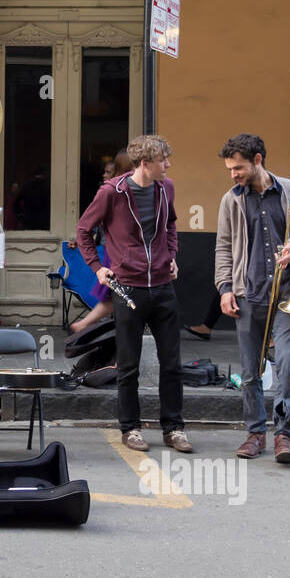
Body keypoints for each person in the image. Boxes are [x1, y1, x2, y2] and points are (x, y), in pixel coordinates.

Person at [77, 135, 189, 453]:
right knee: (128, 365)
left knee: (172, 364)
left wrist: (172, 255)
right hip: (128, 287)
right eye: (163, 160)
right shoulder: (112, 192)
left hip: (163, 286)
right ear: (145, 163)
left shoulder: (166, 188)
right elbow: (84, 229)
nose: (168, 165)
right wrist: (98, 267)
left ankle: (174, 428)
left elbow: (170, 226)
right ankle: (131, 428)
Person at [215, 133, 290, 465]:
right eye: (230, 168)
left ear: (258, 160)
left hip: (288, 289)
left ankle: (284, 434)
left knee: (288, 364)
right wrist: (224, 288)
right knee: (250, 371)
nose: (233, 174)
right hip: (249, 291)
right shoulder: (231, 199)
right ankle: (256, 432)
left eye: (239, 167)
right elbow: (224, 247)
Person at [70, 151, 134, 335]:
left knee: (114, 293)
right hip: (116, 251)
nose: (104, 175)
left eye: (108, 171)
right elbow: (91, 224)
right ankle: (93, 325)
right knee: (116, 292)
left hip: (116, 251)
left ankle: (88, 324)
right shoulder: (110, 191)